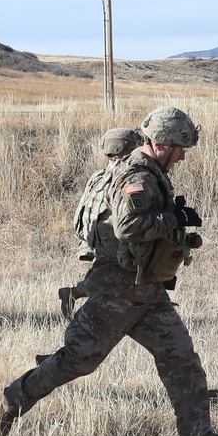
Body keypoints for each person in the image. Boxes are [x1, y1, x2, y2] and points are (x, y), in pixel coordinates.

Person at [0, 106, 218, 436]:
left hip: (146, 290)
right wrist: (173, 217)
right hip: (117, 291)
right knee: (76, 361)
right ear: (160, 143)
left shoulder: (153, 171)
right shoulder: (135, 174)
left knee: (181, 358)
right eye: (180, 149)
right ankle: (9, 402)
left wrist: (176, 226)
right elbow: (128, 229)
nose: (183, 157)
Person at [58, 127, 144, 319]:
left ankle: (72, 295)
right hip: (108, 246)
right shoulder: (126, 177)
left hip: (88, 242)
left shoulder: (98, 175)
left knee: (97, 287)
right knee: (108, 296)